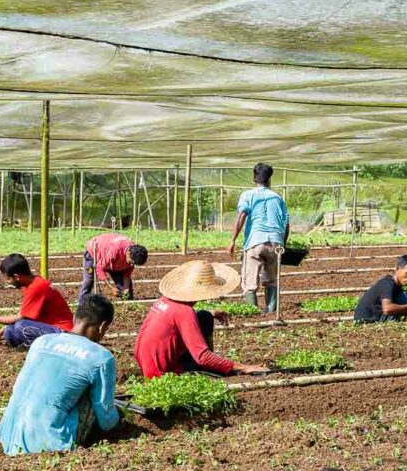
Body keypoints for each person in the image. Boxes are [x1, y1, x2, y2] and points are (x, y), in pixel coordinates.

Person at [0, 294, 120, 455]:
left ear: (75, 317)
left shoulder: (41, 341)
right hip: (47, 444)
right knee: (92, 397)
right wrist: (121, 419)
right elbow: (107, 420)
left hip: (7, 433)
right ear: (103, 326)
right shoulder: (100, 357)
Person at [133, 260, 268, 378]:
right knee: (213, 367)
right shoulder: (185, 312)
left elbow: (175, 320)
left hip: (146, 361)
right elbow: (202, 357)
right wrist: (244, 367)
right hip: (162, 371)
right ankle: (212, 367)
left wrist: (211, 312)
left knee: (205, 316)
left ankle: (212, 363)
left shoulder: (166, 300)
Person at [228, 162, 290, 313]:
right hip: (276, 242)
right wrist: (283, 244)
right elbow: (286, 223)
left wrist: (233, 240)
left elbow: (242, 215)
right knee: (272, 280)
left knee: (249, 281)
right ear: (269, 180)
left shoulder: (247, 195)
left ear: (254, 178)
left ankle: (253, 313)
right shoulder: (278, 198)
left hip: (255, 242)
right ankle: (270, 311)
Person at [0, 253, 74, 348]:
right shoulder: (31, 284)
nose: (8, 282)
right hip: (50, 327)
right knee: (9, 331)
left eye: (8, 279)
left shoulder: (37, 287)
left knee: (20, 326)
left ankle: (43, 349)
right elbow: (26, 314)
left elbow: (21, 318)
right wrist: (0, 331)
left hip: (63, 332)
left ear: (17, 277)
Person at [353, 254, 407, 323]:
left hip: (371, 320)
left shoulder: (395, 286)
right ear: (397, 269)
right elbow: (387, 309)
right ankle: (395, 325)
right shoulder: (387, 284)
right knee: (406, 298)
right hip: (366, 322)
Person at [79, 232, 148, 302]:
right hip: (93, 253)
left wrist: (126, 287)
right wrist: (111, 288)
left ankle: (128, 303)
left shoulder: (134, 254)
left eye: (134, 264)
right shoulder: (115, 250)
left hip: (115, 261)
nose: (131, 265)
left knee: (125, 289)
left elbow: (128, 271)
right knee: (89, 280)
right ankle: (81, 302)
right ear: (128, 254)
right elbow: (99, 268)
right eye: (130, 262)